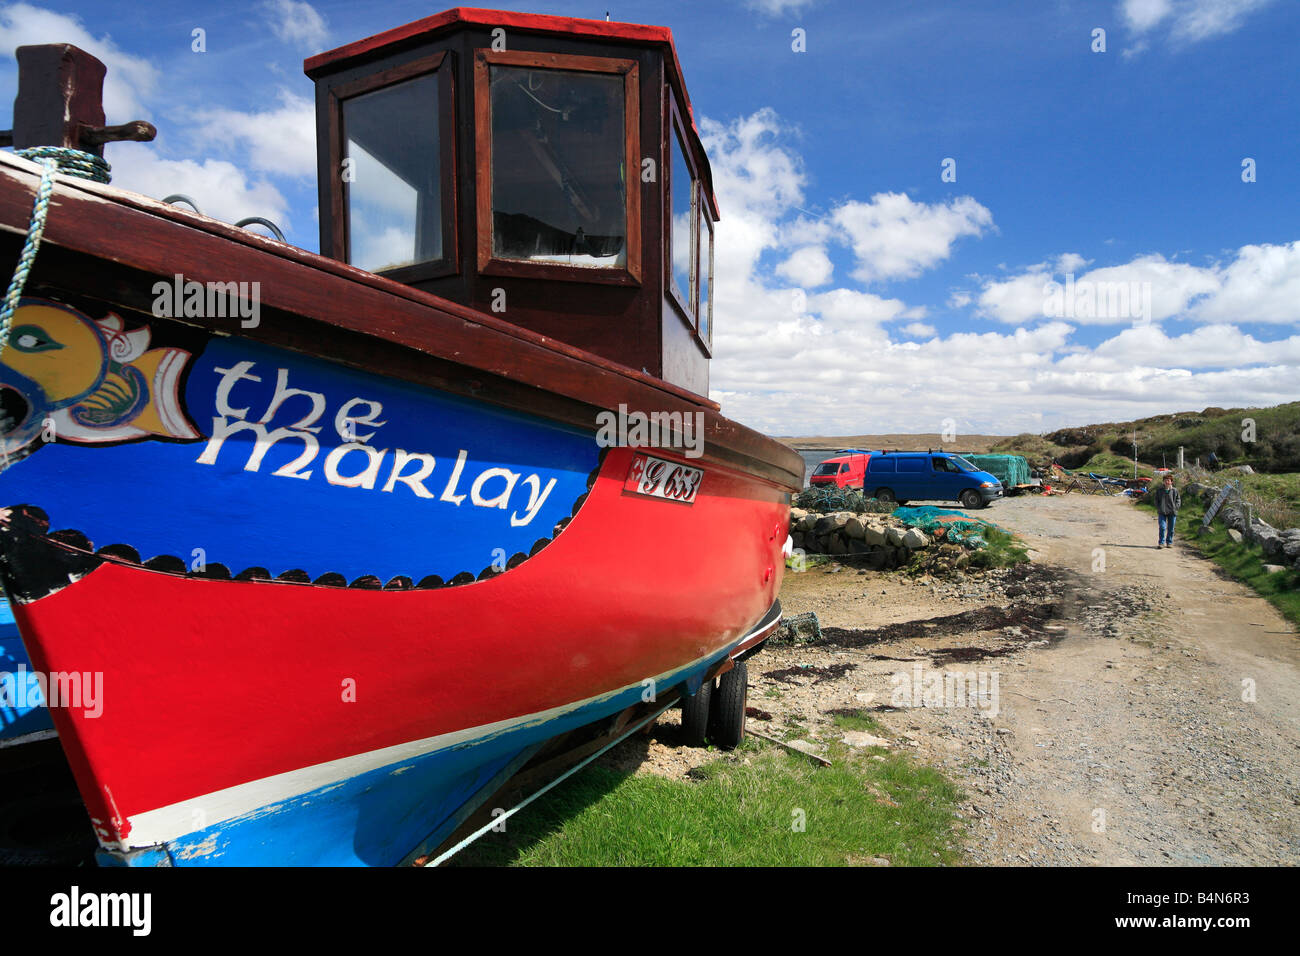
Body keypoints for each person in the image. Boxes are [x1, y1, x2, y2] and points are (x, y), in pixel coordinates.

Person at [1154, 474, 1181, 548]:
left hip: (1172, 512)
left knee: (1171, 528)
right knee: (1162, 527)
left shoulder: (1175, 490)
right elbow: (1156, 500)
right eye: (1165, 480)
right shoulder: (1159, 490)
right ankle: (1161, 543)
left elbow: (1178, 500)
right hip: (1162, 512)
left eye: (1169, 480)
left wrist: (1176, 507)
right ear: (1163, 481)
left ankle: (1169, 542)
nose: (1167, 482)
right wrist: (1158, 507)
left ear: (1171, 482)